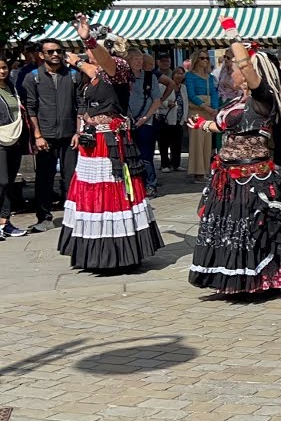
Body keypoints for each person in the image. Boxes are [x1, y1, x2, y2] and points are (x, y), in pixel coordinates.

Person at [188, 26, 281, 295]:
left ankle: (257, 281)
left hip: (251, 177)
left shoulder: (263, 99)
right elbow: (229, 128)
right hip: (227, 174)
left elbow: (247, 67)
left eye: (234, 66)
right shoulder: (237, 100)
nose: (231, 70)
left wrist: (234, 37)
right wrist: (203, 125)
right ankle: (230, 278)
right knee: (227, 227)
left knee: (251, 228)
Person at [57, 18, 164, 270]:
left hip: (110, 143)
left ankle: (117, 253)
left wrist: (87, 40)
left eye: (93, 50)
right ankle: (91, 251)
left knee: (112, 190)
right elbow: (90, 84)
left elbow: (102, 62)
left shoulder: (119, 69)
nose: (87, 55)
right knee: (89, 192)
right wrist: (79, 129)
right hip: (91, 142)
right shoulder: (92, 77)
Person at [22, 38, 80, 233]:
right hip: (45, 136)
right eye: (50, 52)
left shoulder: (72, 75)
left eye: (58, 51)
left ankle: (72, 214)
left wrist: (78, 132)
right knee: (44, 178)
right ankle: (44, 216)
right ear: (41, 55)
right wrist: (37, 135)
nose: (55, 54)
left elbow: (80, 105)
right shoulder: (33, 77)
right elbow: (31, 108)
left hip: (69, 134)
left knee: (70, 177)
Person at [125, 50, 165, 198]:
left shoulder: (150, 77)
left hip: (145, 121)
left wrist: (146, 117)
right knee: (129, 155)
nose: (138, 61)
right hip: (127, 121)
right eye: (135, 58)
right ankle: (134, 185)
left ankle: (150, 185)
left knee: (146, 155)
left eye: (140, 59)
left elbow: (156, 100)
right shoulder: (124, 77)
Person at [0, 58, 28, 239]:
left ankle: (5, 222)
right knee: (1, 181)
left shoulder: (12, 87)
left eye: (4, 67)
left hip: (14, 138)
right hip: (0, 140)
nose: (2, 71)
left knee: (9, 182)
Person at [185, 50, 219, 183]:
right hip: (196, 111)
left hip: (209, 111)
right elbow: (191, 94)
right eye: (202, 58)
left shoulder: (210, 77)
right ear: (196, 60)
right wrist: (206, 107)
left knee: (207, 142)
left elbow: (214, 94)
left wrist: (215, 109)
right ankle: (197, 172)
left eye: (206, 58)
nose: (205, 60)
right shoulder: (190, 76)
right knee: (197, 142)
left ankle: (204, 170)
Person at [157, 66, 188, 173]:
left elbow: (185, 102)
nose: (179, 75)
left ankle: (176, 164)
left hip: (179, 119)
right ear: (173, 75)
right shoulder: (163, 86)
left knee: (177, 143)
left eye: (182, 73)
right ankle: (164, 164)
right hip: (166, 119)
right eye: (177, 73)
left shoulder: (183, 87)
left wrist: (185, 117)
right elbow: (158, 101)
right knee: (164, 143)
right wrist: (167, 104)